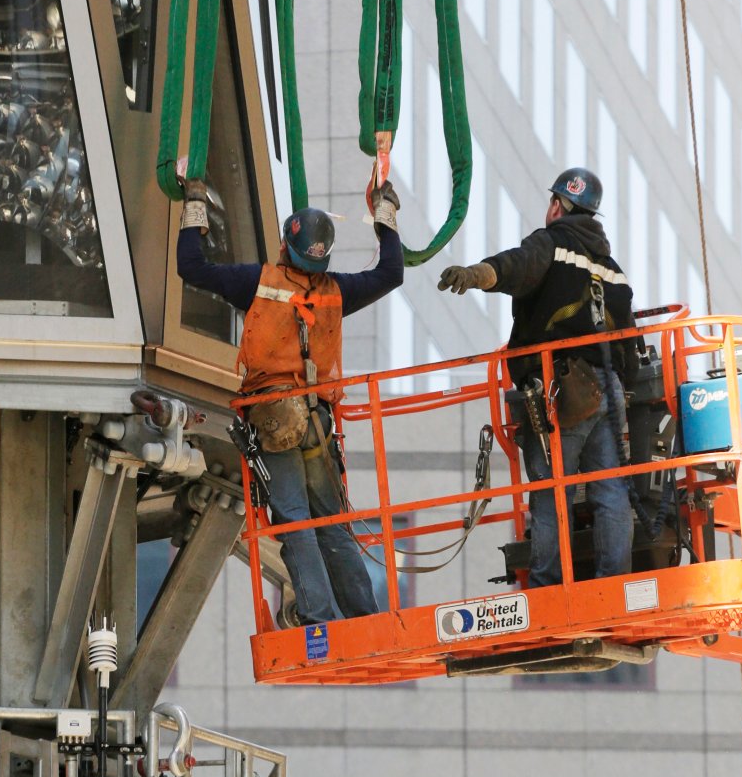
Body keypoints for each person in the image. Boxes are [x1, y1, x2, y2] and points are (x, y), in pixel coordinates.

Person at [178, 176, 405, 624]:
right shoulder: (337, 292)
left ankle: (318, 614)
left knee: (296, 521)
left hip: (275, 420)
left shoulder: (256, 283)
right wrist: (386, 216)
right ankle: (364, 617)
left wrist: (195, 209)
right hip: (318, 420)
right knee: (331, 522)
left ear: (286, 245)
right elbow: (390, 274)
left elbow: (193, 268)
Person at [437, 166, 639, 585]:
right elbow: (630, 343)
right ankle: (613, 584)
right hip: (609, 391)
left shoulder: (551, 243)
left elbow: (515, 267)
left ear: (558, 205)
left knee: (551, 494)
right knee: (610, 491)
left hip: (562, 391)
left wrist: (475, 275)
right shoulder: (613, 269)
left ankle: (547, 588)